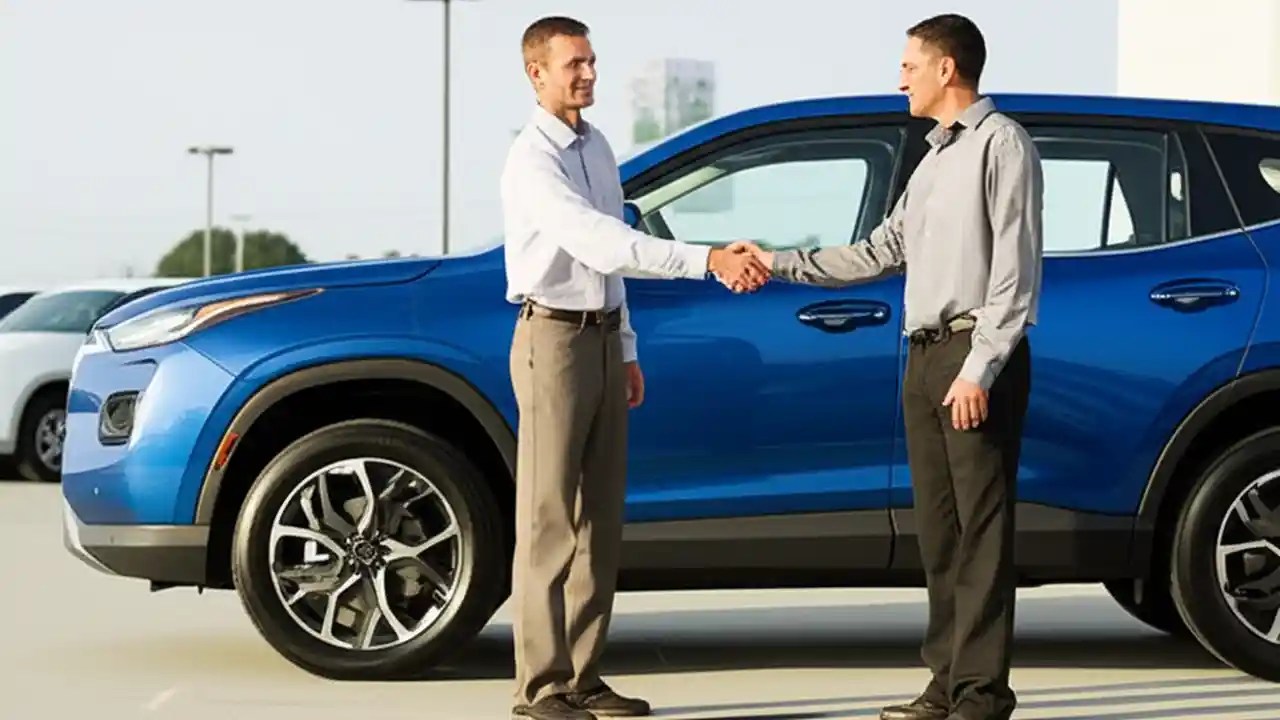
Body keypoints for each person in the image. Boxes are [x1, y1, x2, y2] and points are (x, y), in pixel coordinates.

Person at [742, 13, 1042, 720]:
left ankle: (983, 693)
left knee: (981, 533)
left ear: (947, 69)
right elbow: (877, 252)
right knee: (939, 534)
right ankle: (945, 683)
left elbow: (1015, 273)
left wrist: (981, 368)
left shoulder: (1003, 145)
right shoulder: (934, 157)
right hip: (923, 356)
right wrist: (776, 260)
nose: (900, 76)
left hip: (973, 358)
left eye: (909, 64)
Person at [500, 15, 768, 720]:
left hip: (597, 340)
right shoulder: (532, 160)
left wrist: (626, 349)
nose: (588, 74)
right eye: (573, 65)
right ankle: (540, 687)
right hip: (551, 342)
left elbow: (612, 261)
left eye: (591, 62)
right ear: (537, 73)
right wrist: (707, 259)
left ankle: (584, 678)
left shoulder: (598, 147)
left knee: (600, 522)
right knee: (549, 521)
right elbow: (601, 242)